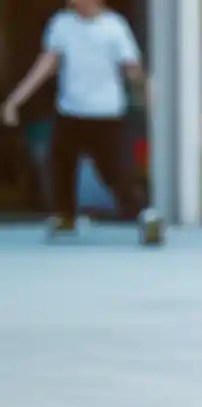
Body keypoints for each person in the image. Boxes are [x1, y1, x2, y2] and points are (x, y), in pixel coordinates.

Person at [1, 0, 161, 244]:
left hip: (106, 114)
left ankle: (145, 216)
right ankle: (66, 216)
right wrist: (15, 100)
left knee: (115, 171)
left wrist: (146, 95)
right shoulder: (62, 25)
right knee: (60, 164)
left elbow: (132, 68)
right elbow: (45, 65)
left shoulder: (114, 27)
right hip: (71, 111)